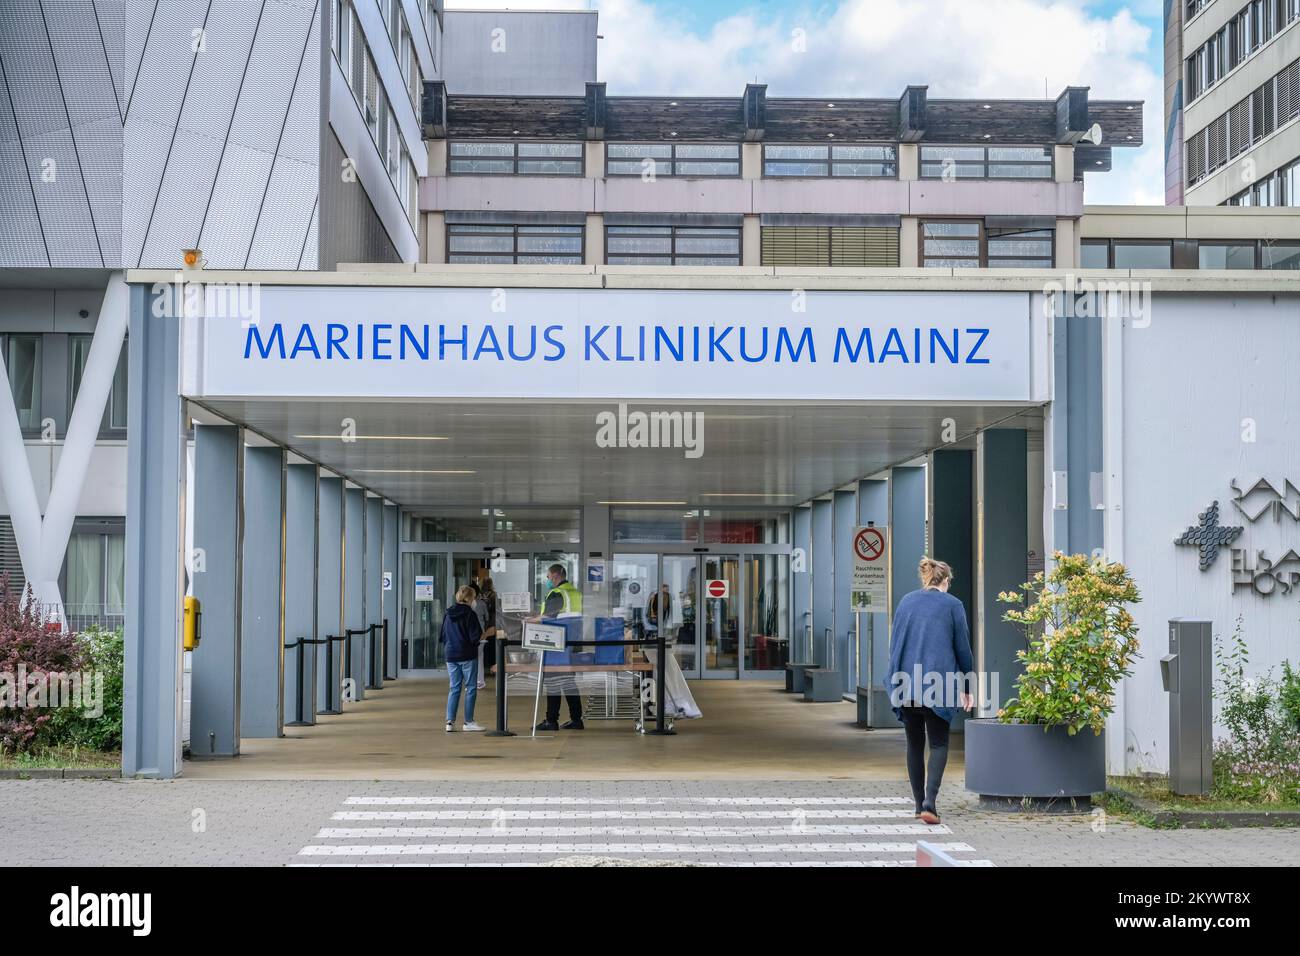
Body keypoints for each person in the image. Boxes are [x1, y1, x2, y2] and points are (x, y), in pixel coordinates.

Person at [885, 557, 974, 825]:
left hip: (906, 683)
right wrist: (967, 687)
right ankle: (930, 805)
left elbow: (895, 643)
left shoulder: (906, 601)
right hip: (938, 684)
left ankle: (916, 805)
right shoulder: (953, 605)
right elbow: (963, 651)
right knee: (938, 743)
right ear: (945, 581)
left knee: (914, 743)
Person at [534, 563, 584, 732]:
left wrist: (528, 620)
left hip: (556, 643)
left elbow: (547, 617)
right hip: (573, 644)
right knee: (569, 682)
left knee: (553, 682)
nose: (548, 580)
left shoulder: (557, 593)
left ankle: (551, 720)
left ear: (555, 576)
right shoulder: (575, 592)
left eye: (548, 577)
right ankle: (576, 719)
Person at [441, 584, 485, 732]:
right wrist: (486, 634)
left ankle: (449, 722)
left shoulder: (448, 613)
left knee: (454, 688)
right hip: (467, 654)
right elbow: (475, 638)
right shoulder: (470, 614)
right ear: (469, 599)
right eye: (474, 598)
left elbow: (443, 636)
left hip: (451, 655)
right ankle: (468, 722)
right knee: (471, 687)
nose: (475, 601)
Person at [478, 576, 500, 678]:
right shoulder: (494, 595)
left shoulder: (478, 595)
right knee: (492, 645)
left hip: (482, 622)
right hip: (492, 623)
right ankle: (493, 667)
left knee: (482, 645)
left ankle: (484, 668)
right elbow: (497, 609)